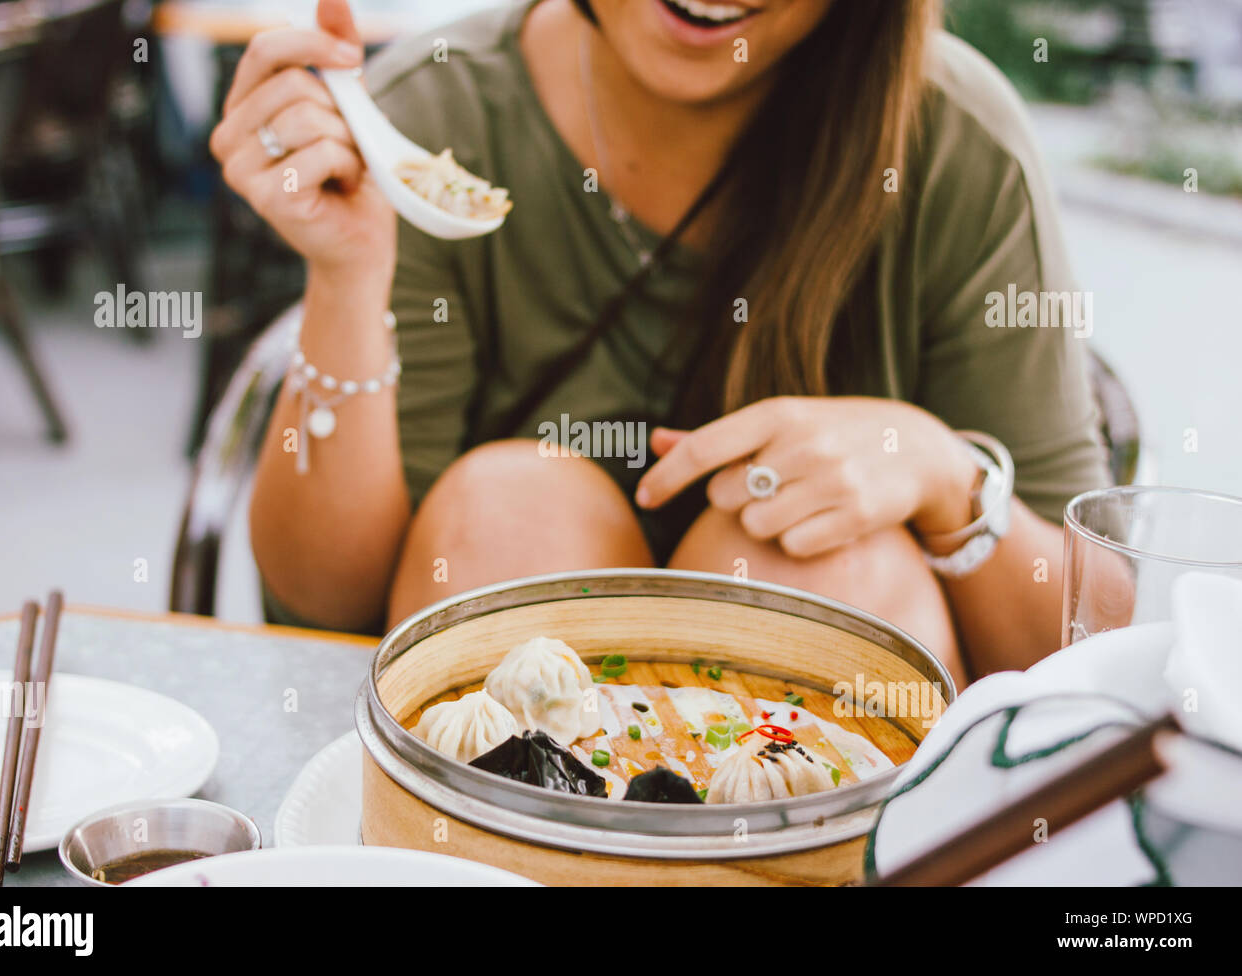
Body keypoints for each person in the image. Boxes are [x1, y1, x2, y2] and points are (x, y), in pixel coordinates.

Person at [209, 0, 1111, 685]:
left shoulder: (959, 145)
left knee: (831, 561)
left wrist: (944, 476)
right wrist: (347, 280)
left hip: (826, 771)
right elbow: (320, 609)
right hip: (479, 782)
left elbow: (1091, 649)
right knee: (510, 508)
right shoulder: (432, 114)